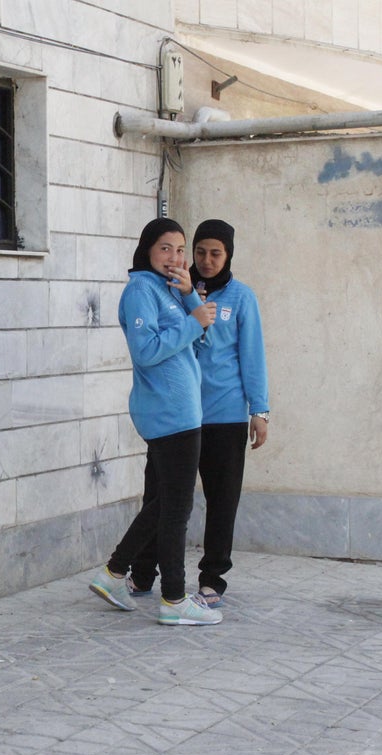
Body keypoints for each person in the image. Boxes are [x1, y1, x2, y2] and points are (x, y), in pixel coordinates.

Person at [87, 217, 222, 626]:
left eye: (181, 250)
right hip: (167, 412)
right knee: (176, 509)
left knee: (165, 502)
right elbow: (146, 351)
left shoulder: (169, 291)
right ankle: (175, 599)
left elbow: (205, 338)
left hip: (184, 410)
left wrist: (188, 300)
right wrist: (191, 319)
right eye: (166, 248)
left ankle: (114, 573)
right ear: (148, 249)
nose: (176, 257)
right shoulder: (139, 291)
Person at [128, 219, 269, 607]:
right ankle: (142, 572)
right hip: (177, 416)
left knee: (222, 500)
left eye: (216, 253)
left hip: (224, 415)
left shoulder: (242, 298)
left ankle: (212, 579)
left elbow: (252, 356)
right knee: (160, 497)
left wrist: (260, 410)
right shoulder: (171, 290)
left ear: (228, 256)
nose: (206, 260)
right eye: (200, 252)